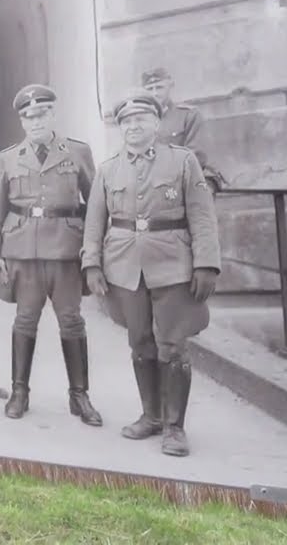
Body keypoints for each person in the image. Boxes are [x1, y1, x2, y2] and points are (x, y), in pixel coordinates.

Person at [80, 92, 221, 457]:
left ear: (157, 124)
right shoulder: (109, 169)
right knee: (140, 342)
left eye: (141, 120)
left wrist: (206, 263)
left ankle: (175, 428)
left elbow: (202, 215)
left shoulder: (183, 162)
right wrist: (91, 265)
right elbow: (94, 222)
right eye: (126, 122)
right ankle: (151, 416)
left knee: (172, 345)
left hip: (173, 264)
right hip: (125, 267)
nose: (133, 127)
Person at [0, 84, 103, 426]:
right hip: (24, 251)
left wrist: (93, 251)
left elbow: (95, 205)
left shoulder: (77, 152)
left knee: (71, 321)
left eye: (41, 114)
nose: (35, 122)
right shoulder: (8, 158)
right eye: (28, 116)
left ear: (53, 114)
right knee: (25, 319)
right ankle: (19, 392)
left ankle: (79, 396)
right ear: (22, 121)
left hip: (66, 250)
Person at [141, 67, 223, 191]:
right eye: (150, 89)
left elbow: (196, 156)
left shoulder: (188, 115)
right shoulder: (139, 120)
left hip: (184, 179)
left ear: (170, 86)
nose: (155, 93)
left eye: (159, 87)